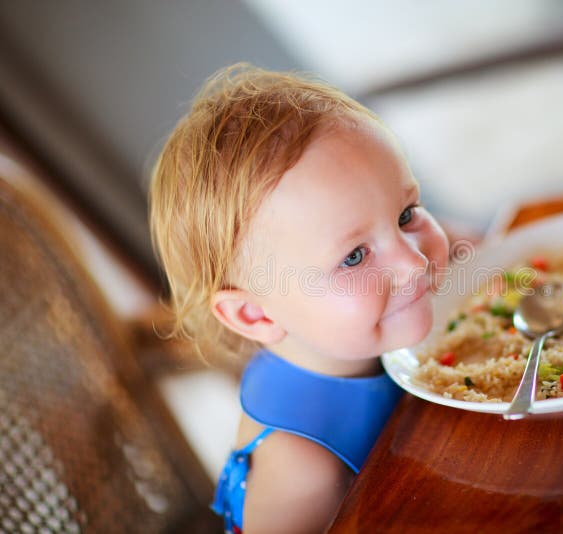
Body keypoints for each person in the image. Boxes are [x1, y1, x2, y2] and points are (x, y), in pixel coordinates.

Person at [149, 63, 450, 533]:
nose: (414, 263)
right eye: (353, 257)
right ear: (253, 313)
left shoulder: (336, 333)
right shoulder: (303, 474)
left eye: (406, 213)